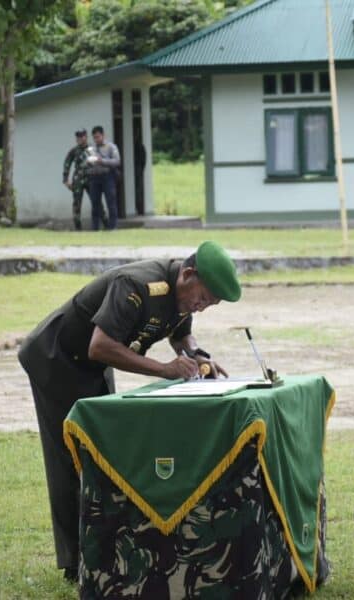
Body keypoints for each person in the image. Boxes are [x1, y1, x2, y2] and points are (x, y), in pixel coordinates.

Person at [18, 241, 241, 582]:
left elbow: (183, 337)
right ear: (189, 273)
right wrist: (163, 369)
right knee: (69, 455)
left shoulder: (182, 299)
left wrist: (198, 355)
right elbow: (100, 345)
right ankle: (75, 563)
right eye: (204, 297)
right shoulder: (137, 285)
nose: (202, 306)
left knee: (101, 452)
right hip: (57, 357)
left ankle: (104, 548)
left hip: (92, 365)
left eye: (210, 304)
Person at [86, 125, 121, 231]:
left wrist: (102, 161)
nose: (96, 139)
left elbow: (117, 161)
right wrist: (89, 162)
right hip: (94, 177)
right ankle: (95, 228)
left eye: (98, 137)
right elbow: (87, 163)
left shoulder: (111, 147)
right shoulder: (91, 148)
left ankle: (112, 227)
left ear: (103, 135)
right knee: (95, 203)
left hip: (107, 177)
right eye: (94, 137)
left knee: (111, 202)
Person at [62, 129, 93, 231]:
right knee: (76, 204)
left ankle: (103, 225)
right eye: (77, 137)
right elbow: (67, 163)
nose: (79, 138)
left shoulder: (92, 149)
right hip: (78, 180)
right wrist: (65, 180)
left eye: (81, 136)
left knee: (96, 202)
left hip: (91, 179)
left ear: (86, 137)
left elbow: (97, 163)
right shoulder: (74, 150)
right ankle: (78, 228)